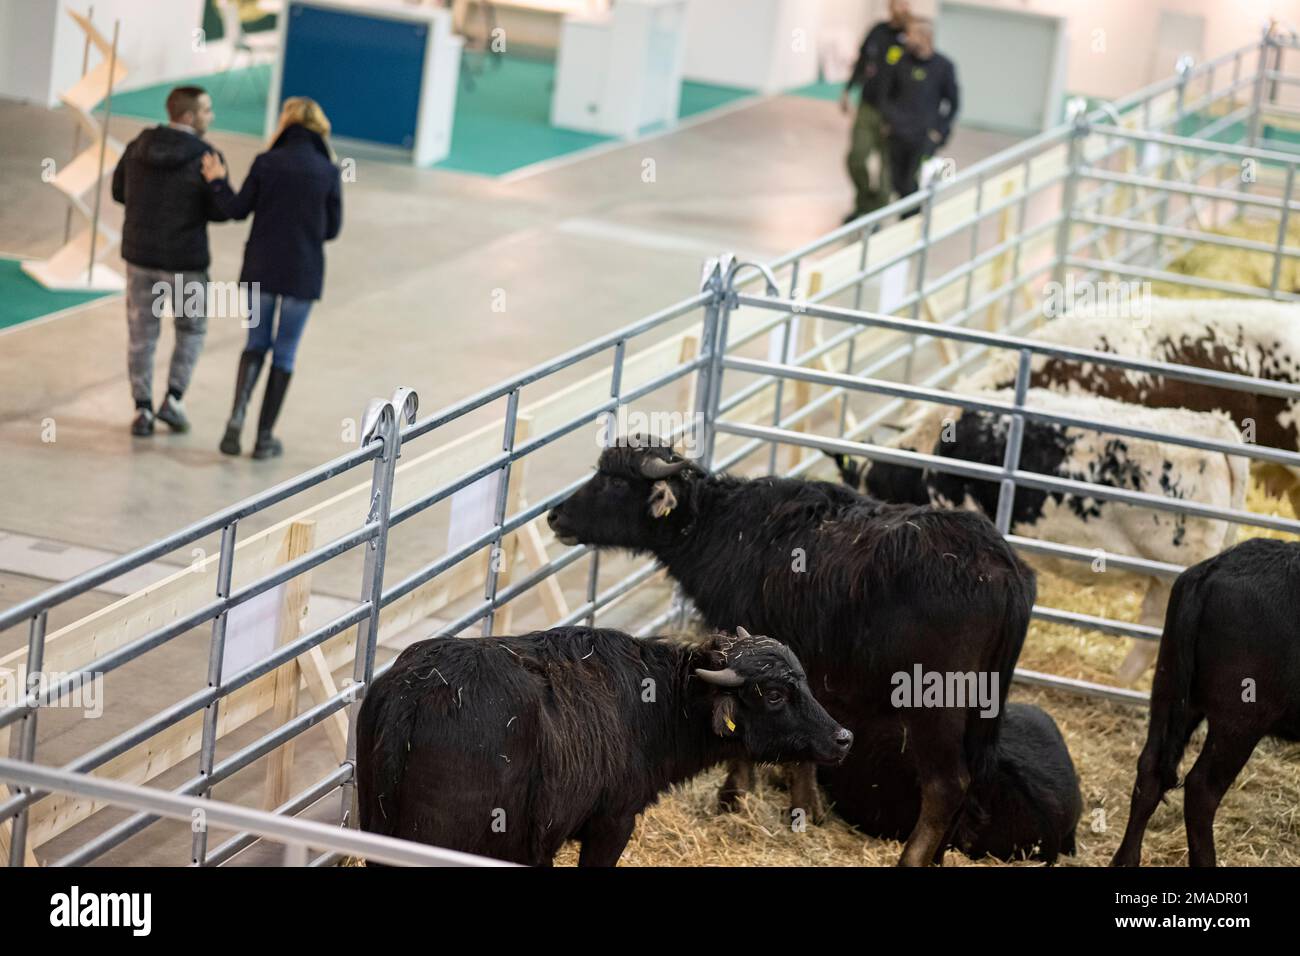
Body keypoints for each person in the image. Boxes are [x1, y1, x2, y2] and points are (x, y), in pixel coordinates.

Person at [200, 97, 343, 460]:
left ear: (286, 124)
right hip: (303, 271)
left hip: (261, 269)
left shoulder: (267, 162)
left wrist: (217, 182)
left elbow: (236, 209)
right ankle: (264, 438)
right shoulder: (327, 171)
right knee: (285, 352)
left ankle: (236, 416)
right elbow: (332, 230)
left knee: (256, 342)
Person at [111, 86, 229, 436]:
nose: (212, 116)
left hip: (140, 258)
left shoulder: (137, 146)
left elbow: (119, 192)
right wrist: (217, 184)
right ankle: (173, 399)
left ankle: (142, 409)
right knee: (190, 329)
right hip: (186, 263)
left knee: (141, 334)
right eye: (207, 110)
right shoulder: (206, 156)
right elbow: (222, 211)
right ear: (189, 116)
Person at [841, 0, 911, 223]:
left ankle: (875, 215)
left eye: (905, 4)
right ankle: (863, 203)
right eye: (897, 3)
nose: (900, 8)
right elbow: (862, 61)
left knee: (886, 170)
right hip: (868, 106)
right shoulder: (877, 31)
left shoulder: (911, 37)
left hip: (895, 113)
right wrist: (848, 90)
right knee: (856, 157)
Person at [881, 18, 959, 217]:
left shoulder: (944, 66)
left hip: (924, 136)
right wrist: (889, 121)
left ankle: (910, 221)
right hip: (898, 133)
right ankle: (909, 218)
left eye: (913, 34)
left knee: (911, 180)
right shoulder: (901, 61)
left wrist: (939, 131)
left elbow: (953, 103)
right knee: (897, 181)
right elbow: (887, 94)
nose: (907, 38)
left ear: (925, 37)